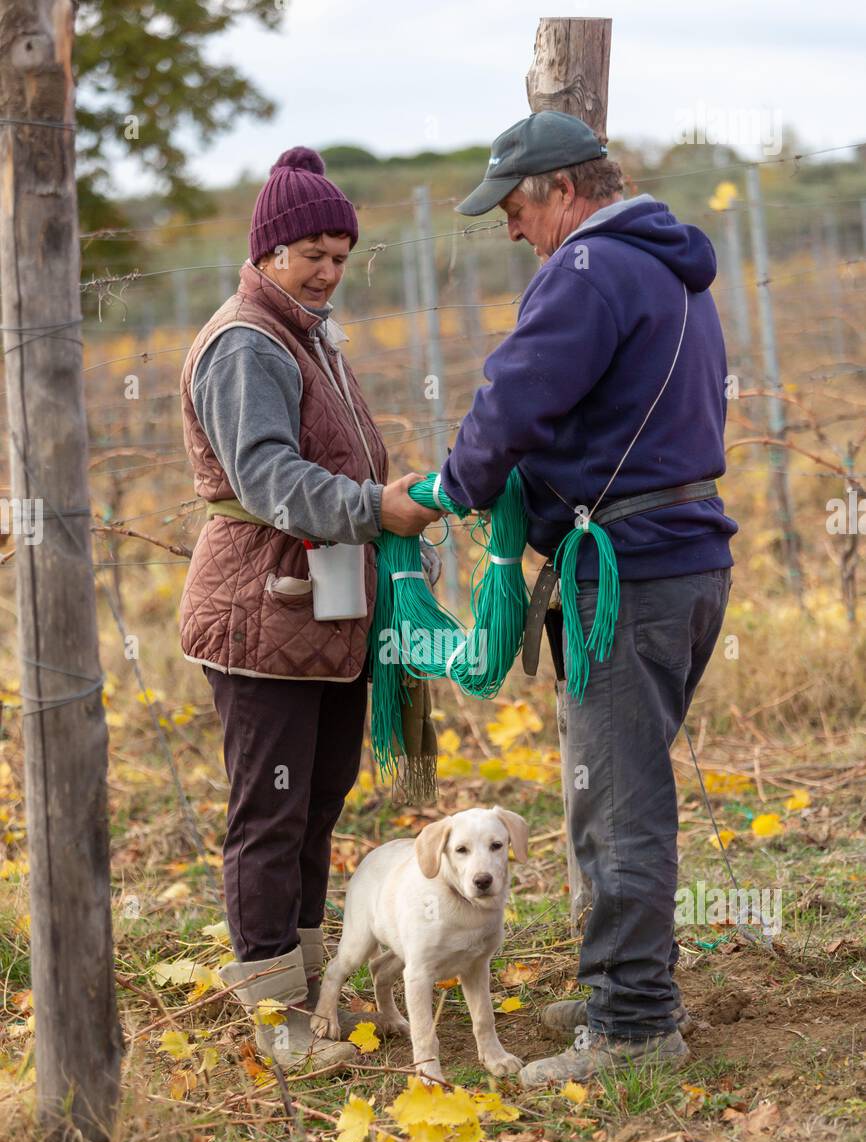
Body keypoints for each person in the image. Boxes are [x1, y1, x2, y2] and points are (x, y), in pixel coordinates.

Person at [438, 111, 738, 1086]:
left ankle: (635, 1026)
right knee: (607, 789)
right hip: (678, 558)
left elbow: (514, 398)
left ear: (563, 191)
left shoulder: (585, 270)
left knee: (617, 805)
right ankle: (621, 982)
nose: (512, 232)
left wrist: (452, 489)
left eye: (515, 209)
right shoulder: (665, 266)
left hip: (631, 571)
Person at [178, 146, 438, 1073]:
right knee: (270, 816)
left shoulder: (308, 331)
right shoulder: (248, 342)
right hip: (262, 611)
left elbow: (346, 461)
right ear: (269, 250)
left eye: (340, 252)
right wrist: (376, 508)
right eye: (310, 253)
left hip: (324, 613)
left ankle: (311, 989)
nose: (328, 270)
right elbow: (271, 477)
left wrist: (393, 508)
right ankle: (273, 1021)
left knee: (316, 803)